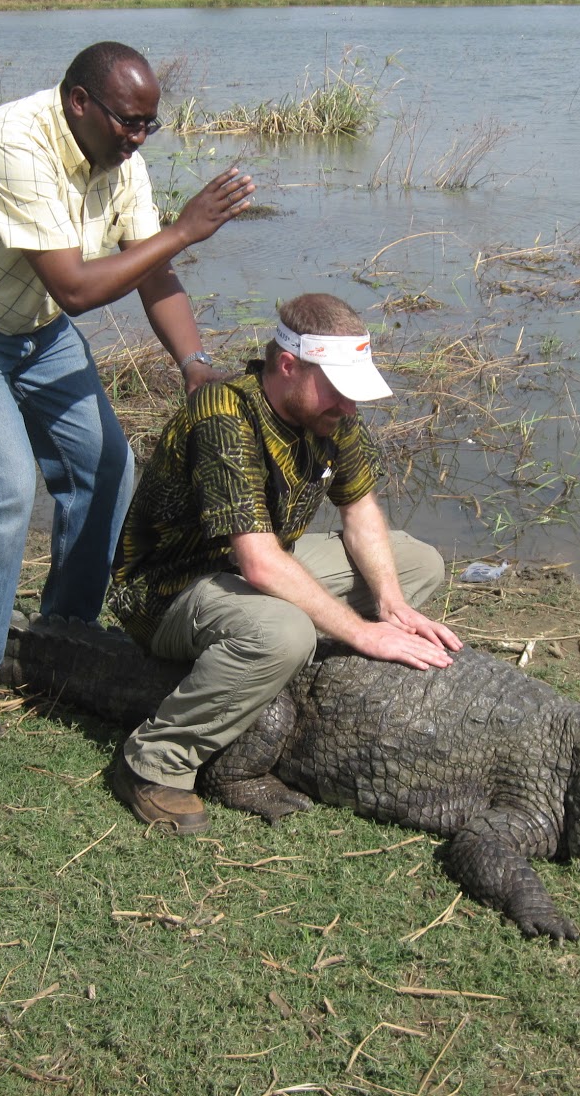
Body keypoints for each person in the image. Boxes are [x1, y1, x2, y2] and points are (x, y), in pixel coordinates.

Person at [0, 41, 254, 743]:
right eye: (127, 122)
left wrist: (195, 363)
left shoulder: (121, 161)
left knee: (107, 467)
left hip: (32, 326)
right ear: (78, 102)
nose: (138, 138)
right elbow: (78, 289)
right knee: (3, 491)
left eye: (150, 125)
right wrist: (185, 229)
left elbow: (152, 272)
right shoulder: (12, 144)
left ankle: (64, 637)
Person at [108, 292, 463, 834]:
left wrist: (390, 603)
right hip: (169, 589)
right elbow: (258, 563)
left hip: (255, 564)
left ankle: (259, 658)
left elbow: (359, 508)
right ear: (289, 366)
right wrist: (365, 635)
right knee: (285, 633)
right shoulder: (224, 411)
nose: (349, 406)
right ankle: (154, 762)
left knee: (419, 562)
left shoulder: (328, 414)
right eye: (339, 391)